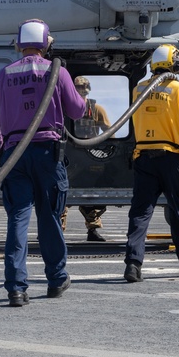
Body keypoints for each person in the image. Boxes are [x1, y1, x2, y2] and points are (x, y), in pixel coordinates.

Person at [0, 19, 86, 307]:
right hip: (46, 152)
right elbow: (77, 112)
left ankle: (16, 288)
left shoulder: (5, 74)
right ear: (47, 44)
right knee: (49, 216)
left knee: (18, 218)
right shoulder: (57, 71)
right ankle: (56, 279)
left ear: (19, 44)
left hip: (14, 153)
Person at [123, 45, 179, 283]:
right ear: (175, 64)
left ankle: (133, 264)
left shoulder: (138, 89)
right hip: (172, 159)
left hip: (144, 158)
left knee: (140, 213)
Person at [61, 75, 110, 242]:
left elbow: (110, 131)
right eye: (78, 90)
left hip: (90, 157)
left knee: (93, 197)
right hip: (70, 157)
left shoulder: (97, 109)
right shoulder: (63, 108)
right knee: (61, 195)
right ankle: (56, 229)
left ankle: (93, 230)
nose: (82, 92)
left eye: (84, 90)